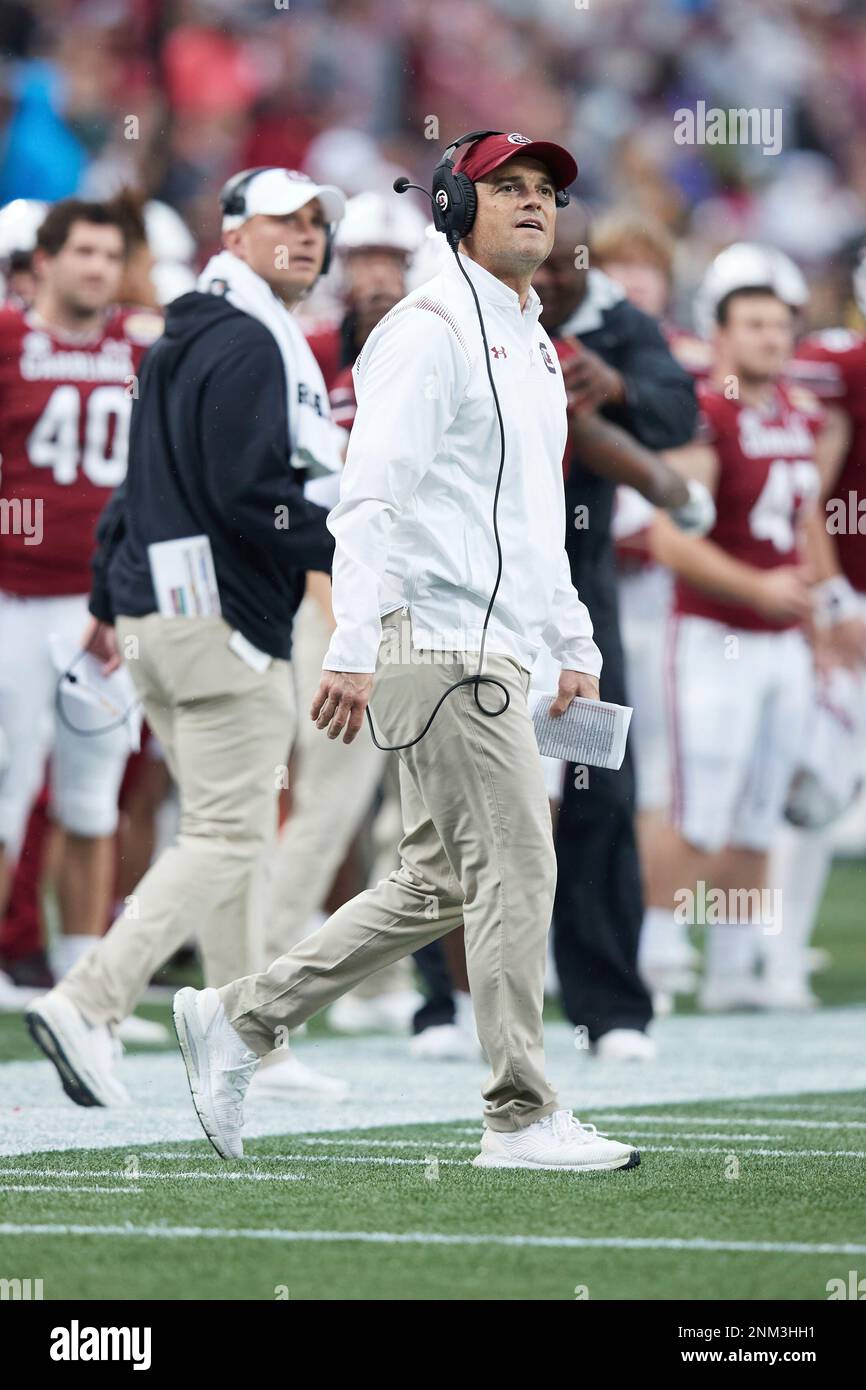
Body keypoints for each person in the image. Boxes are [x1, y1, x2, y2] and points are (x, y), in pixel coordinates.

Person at [172, 129, 640, 1173]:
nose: (530, 204)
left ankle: (240, 1018)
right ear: (449, 206)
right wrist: (351, 644)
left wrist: (573, 639)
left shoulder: (528, 337)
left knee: (435, 884)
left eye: (543, 191)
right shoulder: (427, 329)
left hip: (495, 644)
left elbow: (530, 516)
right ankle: (518, 1111)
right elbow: (369, 495)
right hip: (436, 641)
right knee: (519, 861)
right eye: (504, 187)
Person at [25, 168, 346, 1106]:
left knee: (229, 832)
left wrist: (109, 596)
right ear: (236, 235)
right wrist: (349, 535)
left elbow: (136, 488)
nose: (309, 236)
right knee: (224, 831)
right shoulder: (249, 341)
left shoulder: (186, 334)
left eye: (318, 221)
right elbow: (249, 495)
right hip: (218, 620)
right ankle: (90, 1000)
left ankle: (255, 1040)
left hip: (159, 614)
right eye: (285, 221)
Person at [532, 201, 699, 1060]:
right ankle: (446, 1003)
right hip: (469, 594)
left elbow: (678, 414)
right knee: (458, 806)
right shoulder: (452, 313)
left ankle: (611, 1005)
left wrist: (620, 384)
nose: (553, 280)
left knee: (601, 788)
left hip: (578, 596)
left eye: (569, 267)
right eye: (540, 264)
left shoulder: (613, 326)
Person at [646, 244, 830, 1011]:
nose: (770, 338)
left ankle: (729, 965)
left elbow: (805, 521)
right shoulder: (705, 411)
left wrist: (822, 615)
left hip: (782, 642)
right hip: (715, 636)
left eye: (780, 324)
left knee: (761, 808)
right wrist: (757, 585)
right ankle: (653, 957)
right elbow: (670, 537)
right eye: (752, 323)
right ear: (718, 333)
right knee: (700, 805)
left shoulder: (797, 411)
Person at [0, 198, 162, 989]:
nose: (98, 268)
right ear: (47, 262)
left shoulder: (139, 349)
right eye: (84, 253)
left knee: (95, 796)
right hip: (13, 600)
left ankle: (83, 976)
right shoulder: (8, 339)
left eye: (110, 255)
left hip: (103, 608)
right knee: (4, 789)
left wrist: (122, 589)